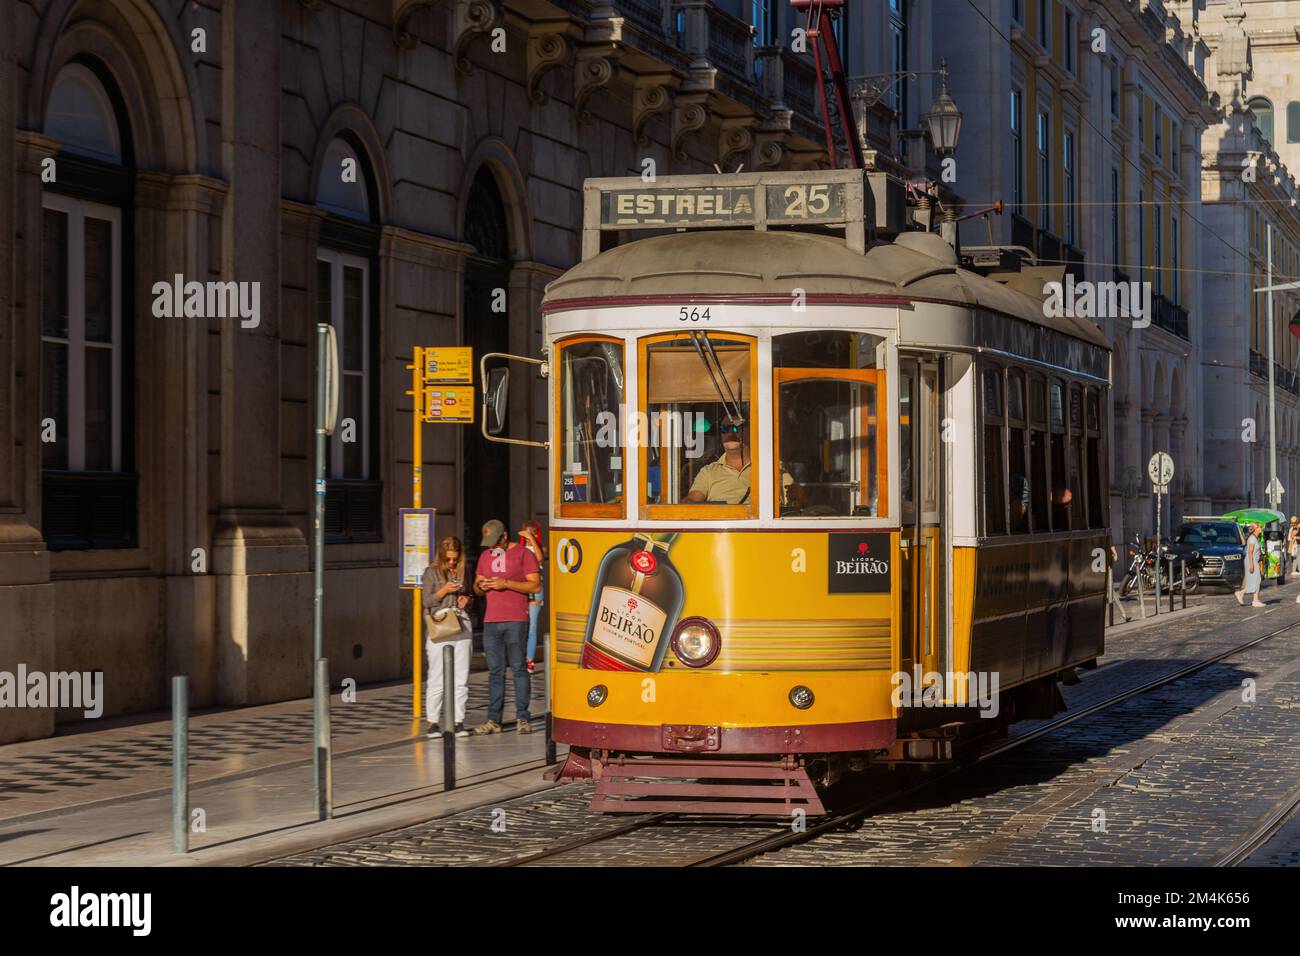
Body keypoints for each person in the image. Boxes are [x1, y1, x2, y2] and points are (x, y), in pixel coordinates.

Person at [472, 518, 540, 735]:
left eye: (495, 541)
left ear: (505, 536)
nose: (492, 547)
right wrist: (480, 586)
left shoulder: (523, 554)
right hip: (491, 620)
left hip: (516, 619)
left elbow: (535, 584)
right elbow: (477, 587)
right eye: (489, 543)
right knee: (495, 671)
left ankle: (522, 716)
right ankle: (493, 719)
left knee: (519, 668)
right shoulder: (485, 556)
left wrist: (506, 583)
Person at [421, 536, 473, 737]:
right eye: (448, 559)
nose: (452, 563)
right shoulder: (431, 572)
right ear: (442, 556)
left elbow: (472, 596)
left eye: (455, 559)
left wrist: (466, 598)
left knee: (461, 677)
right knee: (437, 676)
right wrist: (443, 590)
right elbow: (426, 601)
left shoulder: (463, 571)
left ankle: (458, 721)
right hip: (440, 625)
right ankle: (433, 722)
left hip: (462, 624)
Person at [685, 418, 793, 506]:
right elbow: (692, 503)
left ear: (751, 432)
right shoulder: (708, 471)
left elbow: (795, 500)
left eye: (737, 427)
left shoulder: (771, 466)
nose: (730, 432)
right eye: (724, 428)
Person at [520, 519, 546, 673]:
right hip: (522, 589)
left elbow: (540, 558)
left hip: (536, 590)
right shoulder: (519, 549)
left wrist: (531, 540)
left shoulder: (540, 548)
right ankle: (521, 657)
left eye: (534, 533)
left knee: (532, 626)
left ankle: (529, 660)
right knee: (521, 625)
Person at [1236, 522, 1264, 608]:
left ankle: (1241, 593)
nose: (1261, 529)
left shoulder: (1256, 538)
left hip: (1254, 561)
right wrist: (1251, 565)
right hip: (1251, 561)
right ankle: (1255, 600)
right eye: (1260, 527)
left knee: (1253, 580)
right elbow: (1250, 553)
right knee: (1257, 579)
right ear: (1256, 529)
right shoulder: (1252, 539)